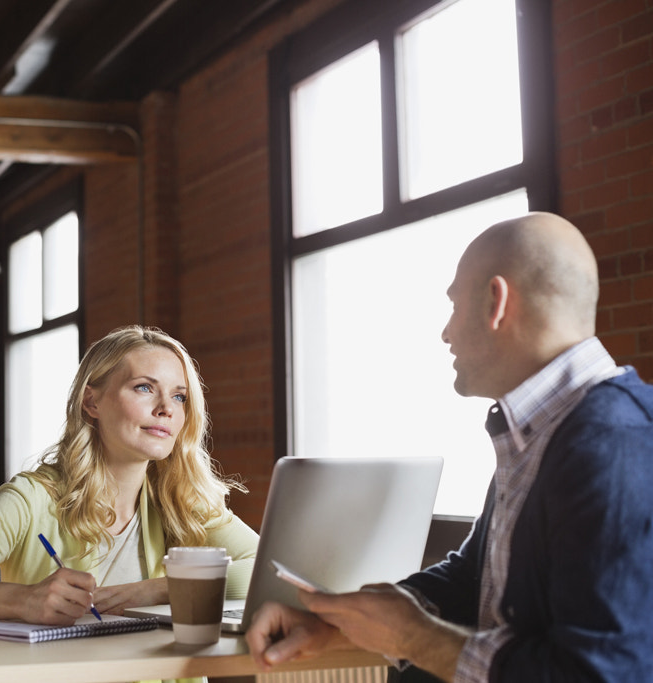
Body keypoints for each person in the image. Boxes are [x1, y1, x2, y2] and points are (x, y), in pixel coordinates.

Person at [246, 212, 653, 681]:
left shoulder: (614, 445)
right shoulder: (542, 433)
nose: (446, 332)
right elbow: (473, 580)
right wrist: (335, 624)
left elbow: (600, 674)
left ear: (495, 303)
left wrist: (415, 637)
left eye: (454, 305)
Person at [0, 325, 258, 627]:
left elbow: (277, 569)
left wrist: (159, 590)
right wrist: (21, 600)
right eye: (144, 387)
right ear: (92, 402)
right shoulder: (33, 498)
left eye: (179, 396)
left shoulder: (181, 498)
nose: (166, 409)